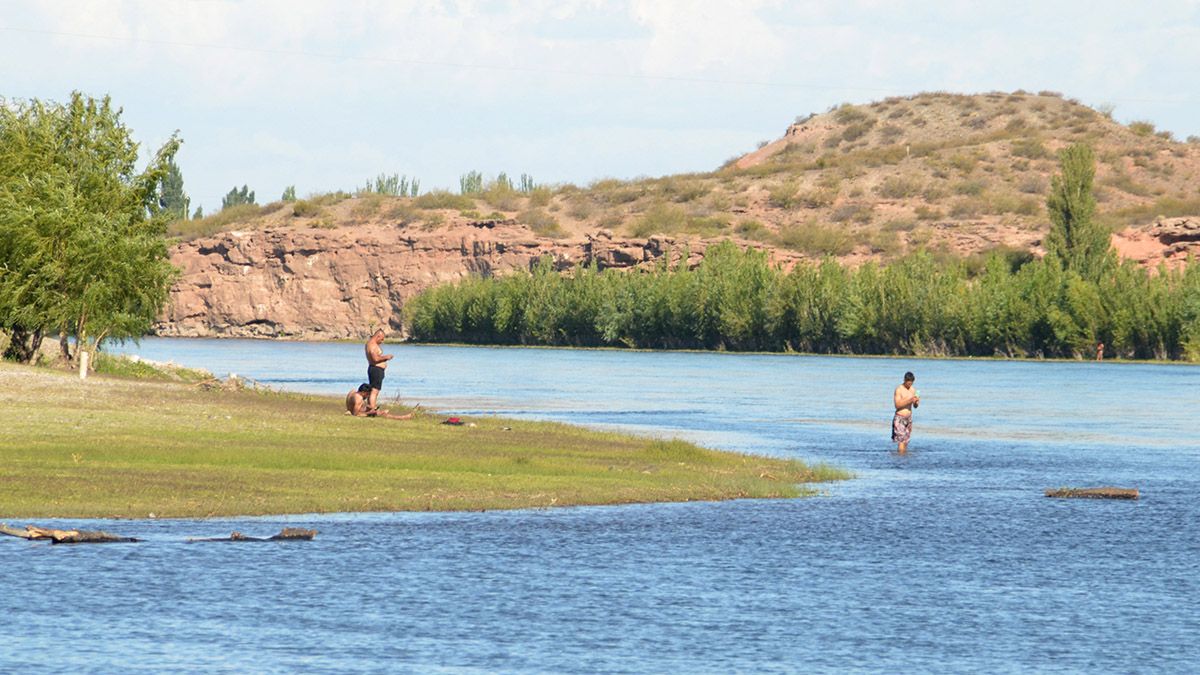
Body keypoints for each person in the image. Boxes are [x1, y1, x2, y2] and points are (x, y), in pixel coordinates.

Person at [345, 384, 417, 420]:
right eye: (368, 395)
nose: (367, 397)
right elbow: (355, 414)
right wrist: (370, 413)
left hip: (359, 410)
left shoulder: (353, 392)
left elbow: (355, 406)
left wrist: (370, 407)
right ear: (364, 392)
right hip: (359, 413)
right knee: (383, 413)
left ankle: (402, 417)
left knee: (377, 410)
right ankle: (402, 417)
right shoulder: (359, 398)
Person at [365, 328, 394, 412]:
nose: (382, 341)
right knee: (375, 391)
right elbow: (375, 359)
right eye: (381, 339)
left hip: (375, 369)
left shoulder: (370, 343)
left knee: (372, 390)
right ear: (378, 336)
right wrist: (386, 357)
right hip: (376, 370)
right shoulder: (373, 345)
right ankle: (372, 409)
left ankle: (370, 407)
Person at [892, 371, 920, 454]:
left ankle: (904, 458)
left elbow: (915, 406)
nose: (909, 385)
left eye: (911, 383)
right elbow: (897, 405)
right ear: (904, 380)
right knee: (901, 441)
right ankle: (901, 460)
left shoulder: (913, 390)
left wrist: (916, 402)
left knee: (906, 441)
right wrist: (910, 400)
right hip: (900, 418)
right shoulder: (899, 389)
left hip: (908, 418)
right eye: (908, 383)